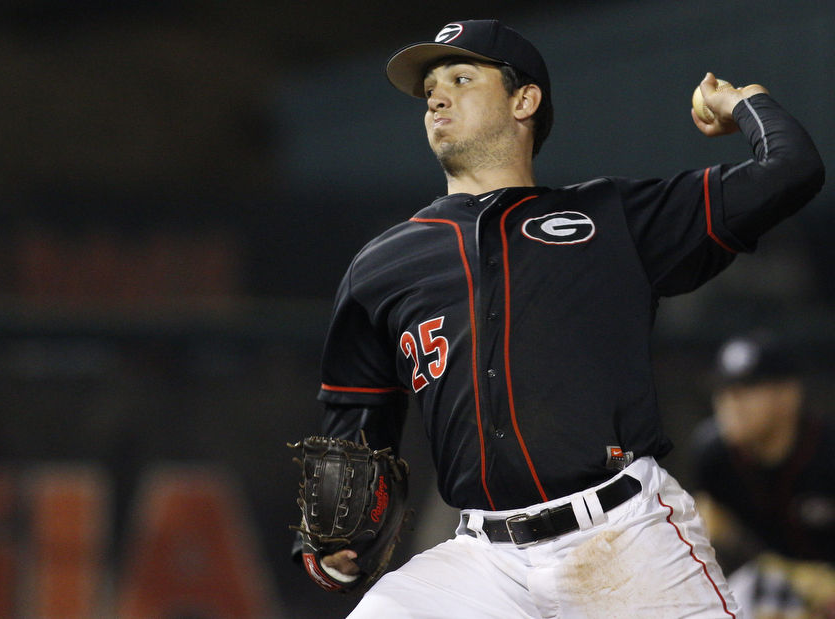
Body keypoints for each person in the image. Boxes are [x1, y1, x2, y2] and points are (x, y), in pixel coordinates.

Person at [294, 19, 825, 617]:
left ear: (525, 100)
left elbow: (791, 169)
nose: (437, 97)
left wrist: (746, 102)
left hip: (623, 537)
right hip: (482, 560)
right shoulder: (383, 265)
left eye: (461, 78)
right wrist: (329, 541)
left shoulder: (613, 218)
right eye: (430, 89)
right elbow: (357, 417)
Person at [691, 333, 835, 618]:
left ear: (788, 395)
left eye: (746, 389)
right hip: (769, 591)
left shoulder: (827, 451)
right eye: (724, 390)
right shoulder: (714, 456)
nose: (730, 403)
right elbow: (707, 540)